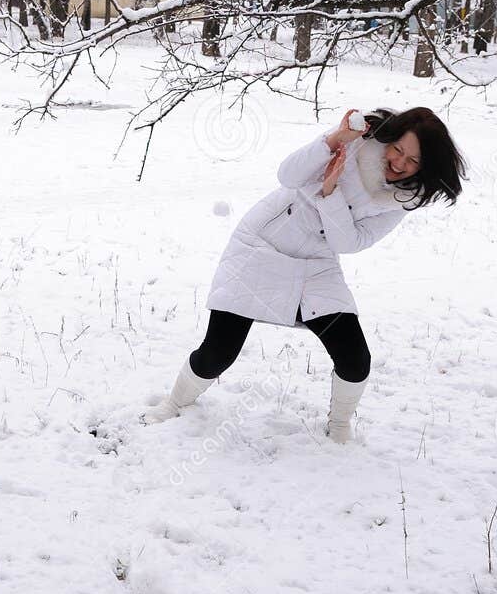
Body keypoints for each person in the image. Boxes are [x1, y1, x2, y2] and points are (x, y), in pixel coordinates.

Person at [144, 107, 465, 441]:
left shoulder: (401, 200)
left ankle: (339, 426)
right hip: (263, 244)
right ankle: (174, 403)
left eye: (413, 161)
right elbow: (288, 176)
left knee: (355, 358)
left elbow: (348, 241)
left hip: (316, 262)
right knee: (218, 352)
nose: (399, 163)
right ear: (389, 138)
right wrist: (333, 140)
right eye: (397, 149)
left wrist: (329, 192)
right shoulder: (355, 142)